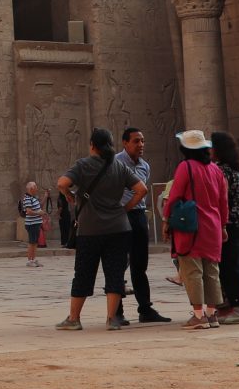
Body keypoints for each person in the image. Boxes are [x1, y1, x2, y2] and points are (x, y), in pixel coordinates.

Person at [53, 126, 144, 332]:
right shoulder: (119, 166)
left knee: (83, 273)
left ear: (92, 145)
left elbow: (62, 183)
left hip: (90, 230)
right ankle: (112, 319)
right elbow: (141, 189)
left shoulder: (83, 165)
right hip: (119, 228)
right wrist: (124, 209)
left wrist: (69, 195)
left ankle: (74, 318)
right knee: (115, 274)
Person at [163, 129, 228, 330]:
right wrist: (223, 225)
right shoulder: (215, 170)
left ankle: (198, 316)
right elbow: (223, 200)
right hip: (213, 224)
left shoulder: (186, 167)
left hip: (191, 225)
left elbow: (174, 196)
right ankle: (212, 314)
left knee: (192, 271)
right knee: (212, 271)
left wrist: (166, 219)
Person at [113, 127, 168, 323]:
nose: (141, 145)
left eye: (142, 141)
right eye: (136, 141)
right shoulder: (116, 163)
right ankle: (116, 311)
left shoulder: (145, 166)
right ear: (125, 143)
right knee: (118, 263)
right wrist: (122, 210)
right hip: (121, 215)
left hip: (138, 215)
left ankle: (145, 309)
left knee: (140, 263)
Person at [210, 131, 239, 325]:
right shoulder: (238, 168)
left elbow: (221, 196)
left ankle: (237, 309)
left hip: (230, 223)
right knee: (238, 265)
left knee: (230, 267)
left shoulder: (220, 169)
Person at [17, 180, 46, 267]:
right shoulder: (27, 199)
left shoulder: (33, 198)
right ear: (31, 188)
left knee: (35, 242)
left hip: (36, 223)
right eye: (35, 187)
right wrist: (39, 213)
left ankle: (33, 259)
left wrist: (45, 196)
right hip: (31, 224)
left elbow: (39, 206)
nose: (37, 188)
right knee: (31, 242)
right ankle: (29, 260)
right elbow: (29, 211)